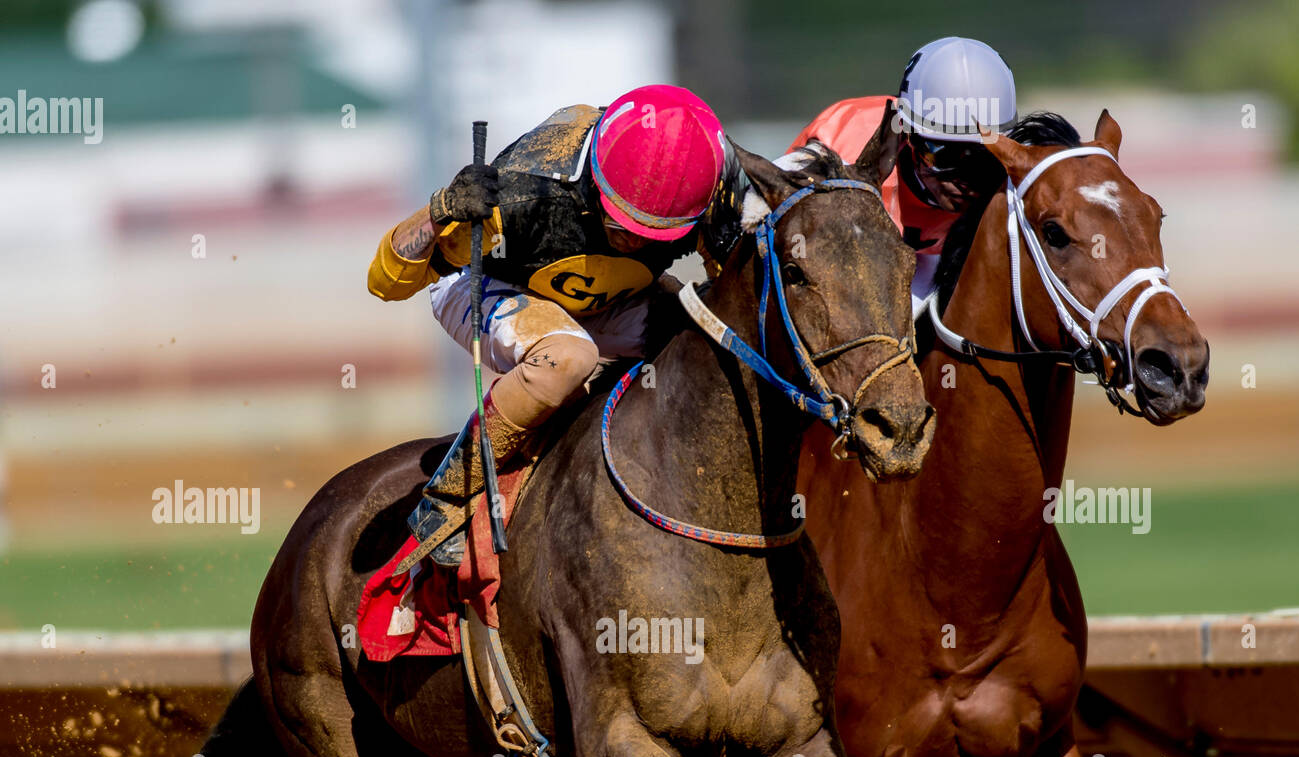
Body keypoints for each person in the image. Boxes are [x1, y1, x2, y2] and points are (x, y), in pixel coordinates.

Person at [368, 86, 743, 566]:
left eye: (650, 235)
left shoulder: (706, 185)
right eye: (621, 226)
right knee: (568, 357)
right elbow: (385, 284)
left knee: (710, 333)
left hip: (605, 295)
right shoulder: (522, 196)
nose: (632, 242)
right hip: (490, 284)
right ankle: (445, 498)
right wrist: (439, 209)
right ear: (595, 186)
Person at [792, 36, 1017, 316]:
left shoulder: (1014, 175)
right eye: (945, 156)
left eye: (984, 160)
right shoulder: (844, 143)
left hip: (926, 261)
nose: (965, 180)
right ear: (906, 136)